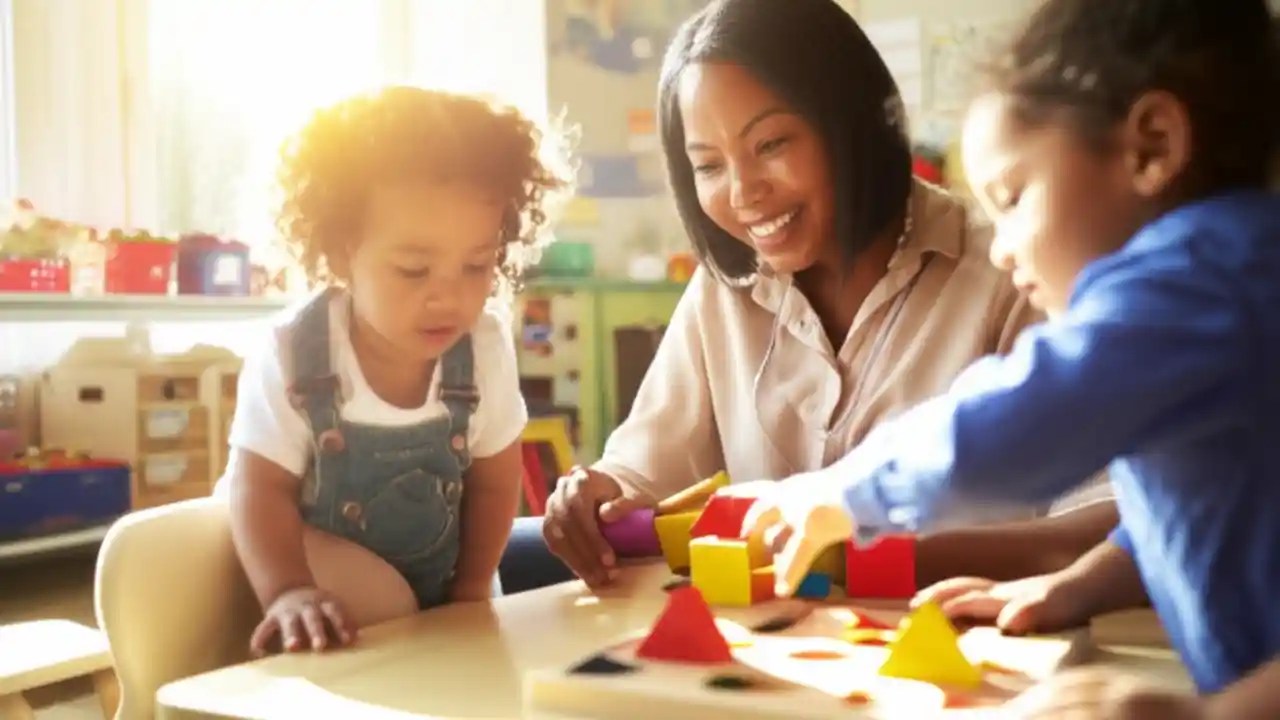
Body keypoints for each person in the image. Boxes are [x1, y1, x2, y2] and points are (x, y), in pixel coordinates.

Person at [743, 0, 1280, 716]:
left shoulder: (1197, 278)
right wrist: (1083, 583)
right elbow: (1202, 512)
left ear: (1151, 147)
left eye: (1014, 197)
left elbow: (1016, 426)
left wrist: (842, 491)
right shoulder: (1233, 280)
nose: (1001, 248)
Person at [499, 0, 1118, 595]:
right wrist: (592, 495)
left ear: (849, 123)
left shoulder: (1012, 270)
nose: (743, 192)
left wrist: (867, 555)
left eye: (771, 145)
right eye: (709, 165)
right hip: (775, 662)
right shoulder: (726, 289)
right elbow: (647, 473)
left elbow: (1112, 521)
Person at [219, 86, 571, 655]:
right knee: (384, 613)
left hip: (442, 584)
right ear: (339, 255)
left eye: (476, 265)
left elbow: (495, 480)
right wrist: (287, 590)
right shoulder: (294, 352)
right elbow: (258, 488)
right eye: (413, 270)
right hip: (305, 579)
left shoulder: (482, 348)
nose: (448, 298)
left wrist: (474, 587)